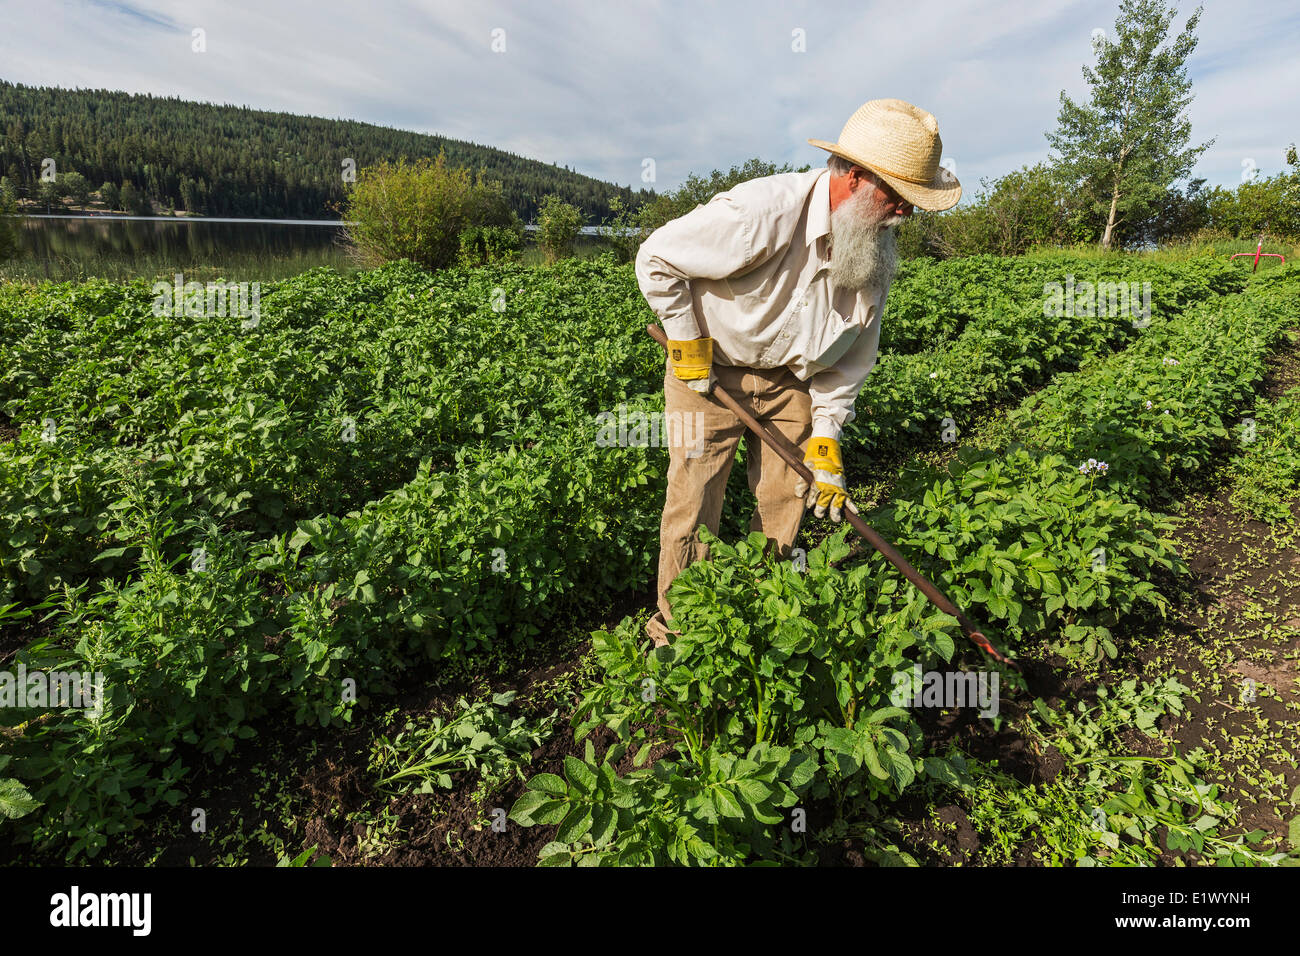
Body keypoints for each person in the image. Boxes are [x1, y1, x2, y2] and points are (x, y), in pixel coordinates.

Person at [634, 98, 962, 648]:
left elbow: (851, 358)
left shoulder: (872, 256)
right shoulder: (761, 212)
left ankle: (761, 616)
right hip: (707, 377)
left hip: (793, 385)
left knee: (787, 501)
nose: (905, 214)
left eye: (913, 203)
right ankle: (678, 634)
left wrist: (827, 441)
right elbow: (657, 257)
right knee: (692, 501)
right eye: (899, 197)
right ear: (855, 176)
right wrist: (686, 338)